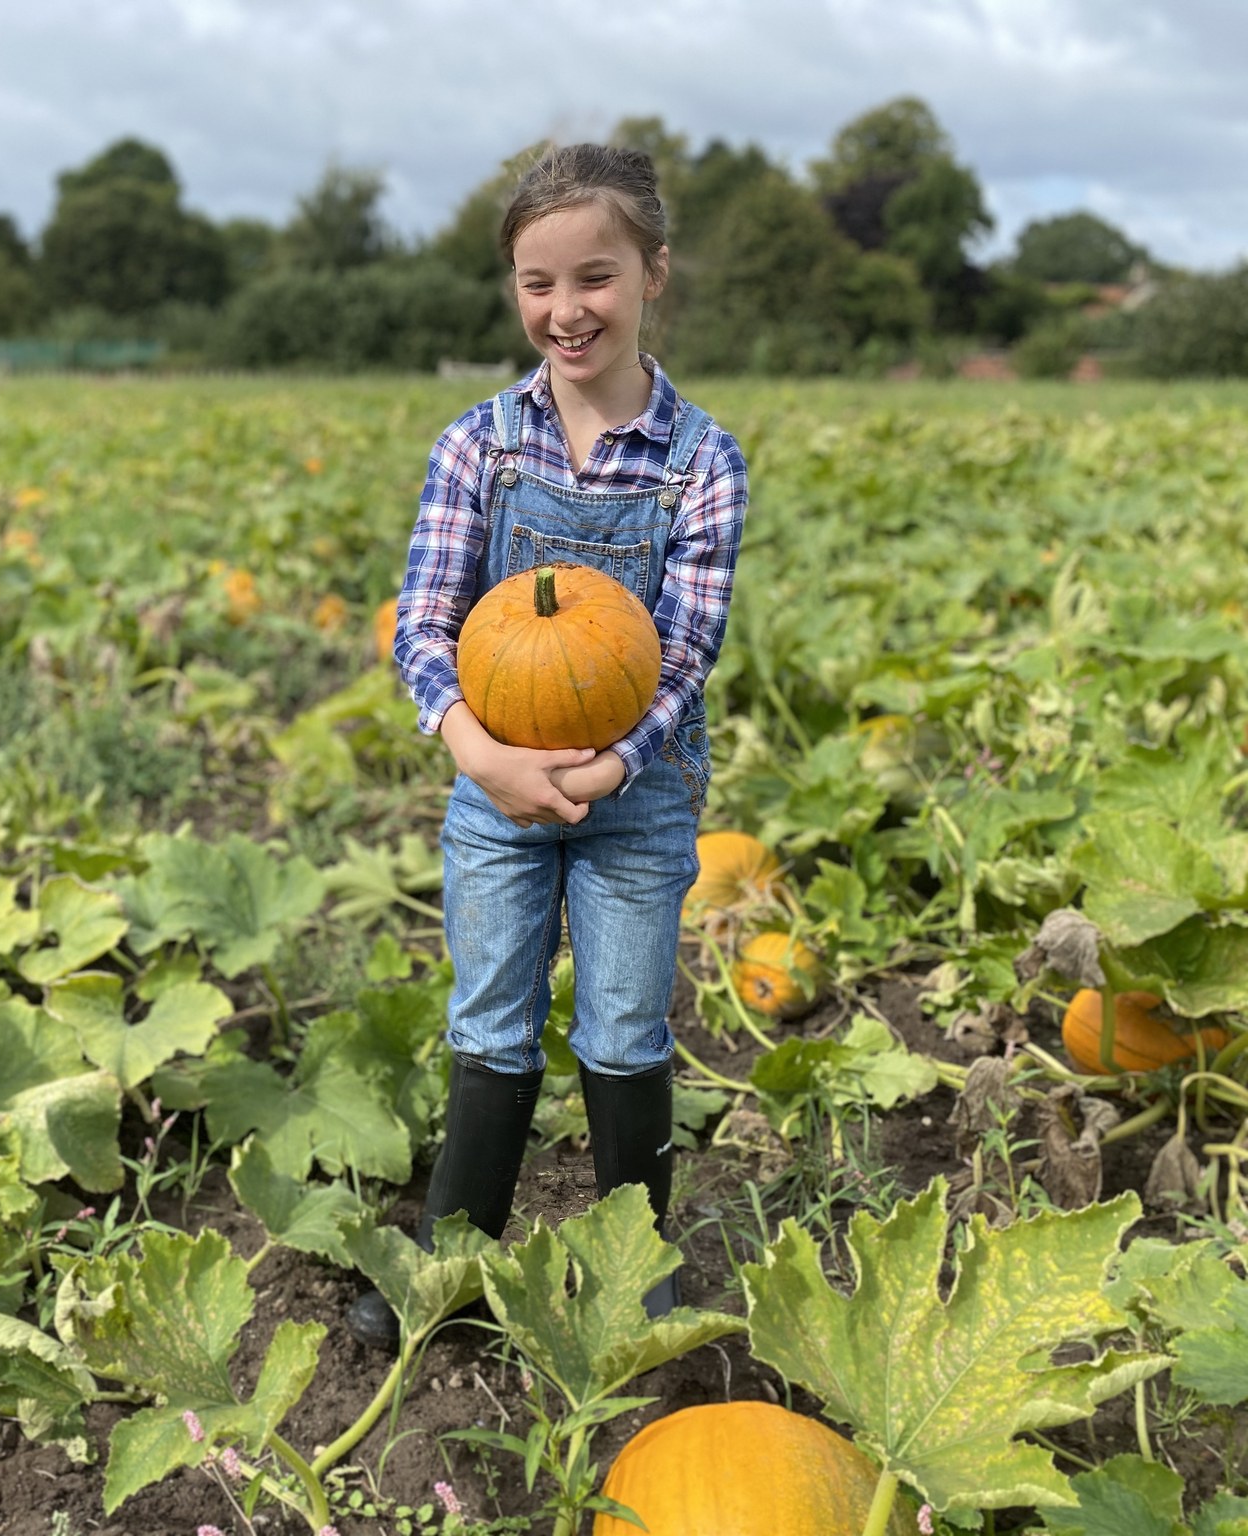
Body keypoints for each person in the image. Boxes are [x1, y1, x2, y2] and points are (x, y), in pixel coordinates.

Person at [347, 143, 748, 1349]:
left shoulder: (701, 463)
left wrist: (612, 765)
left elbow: (679, 653)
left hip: (637, 794)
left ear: (652, 274)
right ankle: (448, 1270)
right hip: (491, 785)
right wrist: (480, 754)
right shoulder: (477, 444)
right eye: (536, 283)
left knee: (624, 1027)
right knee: (488, 1022)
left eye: (594, 277)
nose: (564, 310)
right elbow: (422, 622)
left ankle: (635, 1270)